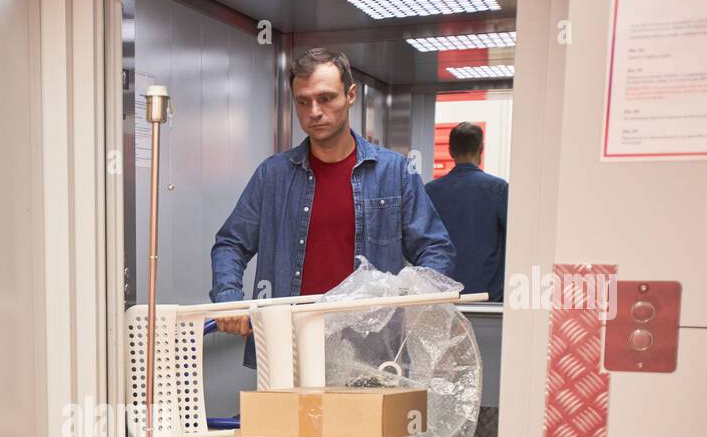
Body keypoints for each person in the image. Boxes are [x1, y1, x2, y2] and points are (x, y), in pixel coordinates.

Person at [210, 48, 454, 369]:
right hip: (289, 349)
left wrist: (412, 304)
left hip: (372, 355)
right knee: (286, 422)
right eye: (303, 101)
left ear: (350, 95)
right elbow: (231, 244)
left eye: (326, 98)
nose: (314, 111)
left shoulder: (394, 172)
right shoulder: (273, 175)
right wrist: (230, 300)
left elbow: (435, 249)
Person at [425, 122, 508, 301]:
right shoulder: (498, 189)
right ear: (481, 148)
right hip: (488, 298)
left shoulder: (430, 191)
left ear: (450, 151)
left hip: (442, 297)